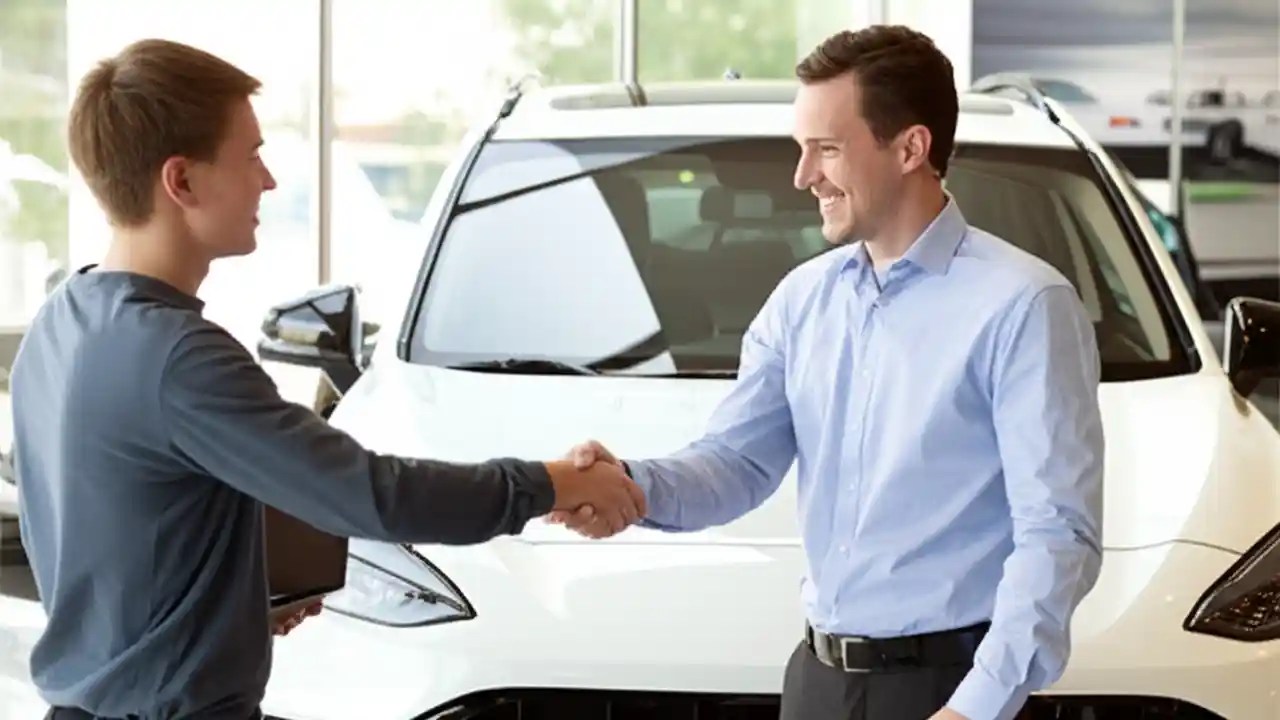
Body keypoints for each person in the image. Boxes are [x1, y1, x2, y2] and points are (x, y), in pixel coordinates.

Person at [9, 38, 644, 720]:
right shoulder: (175, 357)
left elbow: (114, 519)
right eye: (250, 155)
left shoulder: (63, 319)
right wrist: (553, 482)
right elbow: (376, 497)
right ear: (182, 182)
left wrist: (235, 606)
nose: (269, 181)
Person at [552, 25, 1105, 720]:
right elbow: (735, 464)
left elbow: (1058, 535)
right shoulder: (801, 300)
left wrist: (977, 708)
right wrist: (630, 487)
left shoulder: (1023, 306)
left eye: (827, 149)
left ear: (910, 148)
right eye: (801, 149)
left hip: (949, 691)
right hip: (817, 683)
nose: (802, 175)